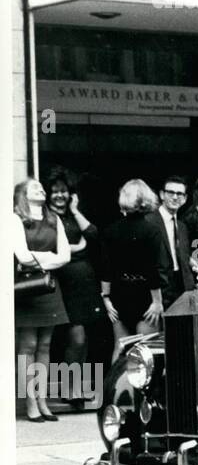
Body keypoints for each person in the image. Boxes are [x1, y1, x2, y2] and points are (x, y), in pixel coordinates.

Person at [13, 178, 71, 422]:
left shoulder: (54, 219)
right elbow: (22, 256)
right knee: (27, 345)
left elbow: (65, 255)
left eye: (41, 186)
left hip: (48, 287)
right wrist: (49, 257)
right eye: (34, 187)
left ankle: (42, 399)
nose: (41, 189)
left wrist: (42, 258)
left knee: (45, 345)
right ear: (23, 195)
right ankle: (30, 402)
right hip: (28, 287)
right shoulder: (14, 218)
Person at [46, 174, 106, 408]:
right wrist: (79, 247)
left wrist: (75, 209)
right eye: (55, 191)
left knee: (84, 339)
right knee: (76, 338)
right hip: (64, 286)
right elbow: (54, 248)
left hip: (85, 285)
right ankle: (69, 390)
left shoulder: (73, 215)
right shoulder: (47, 218)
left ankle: (76, 388)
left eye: (64, 191)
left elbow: (93, 235)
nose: (60, 195)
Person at [99, 179, 170, 347]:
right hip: (145, 296)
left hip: (118, 294)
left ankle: (115, 375)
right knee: (147, 349)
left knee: (120, 346)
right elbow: (154, 268)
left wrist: (106, 299)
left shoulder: (110, 230)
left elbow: (105, 268)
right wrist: (157, 302)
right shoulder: (152, 230)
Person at [148, 175, 195, 306]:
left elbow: (183, 256)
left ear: (185, 199)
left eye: (179, 194)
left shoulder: (182, 226)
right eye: (171, 193)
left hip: (182, 286)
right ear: (162, 195)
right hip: (158, 288)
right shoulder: (149, 222)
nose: (175, 197)